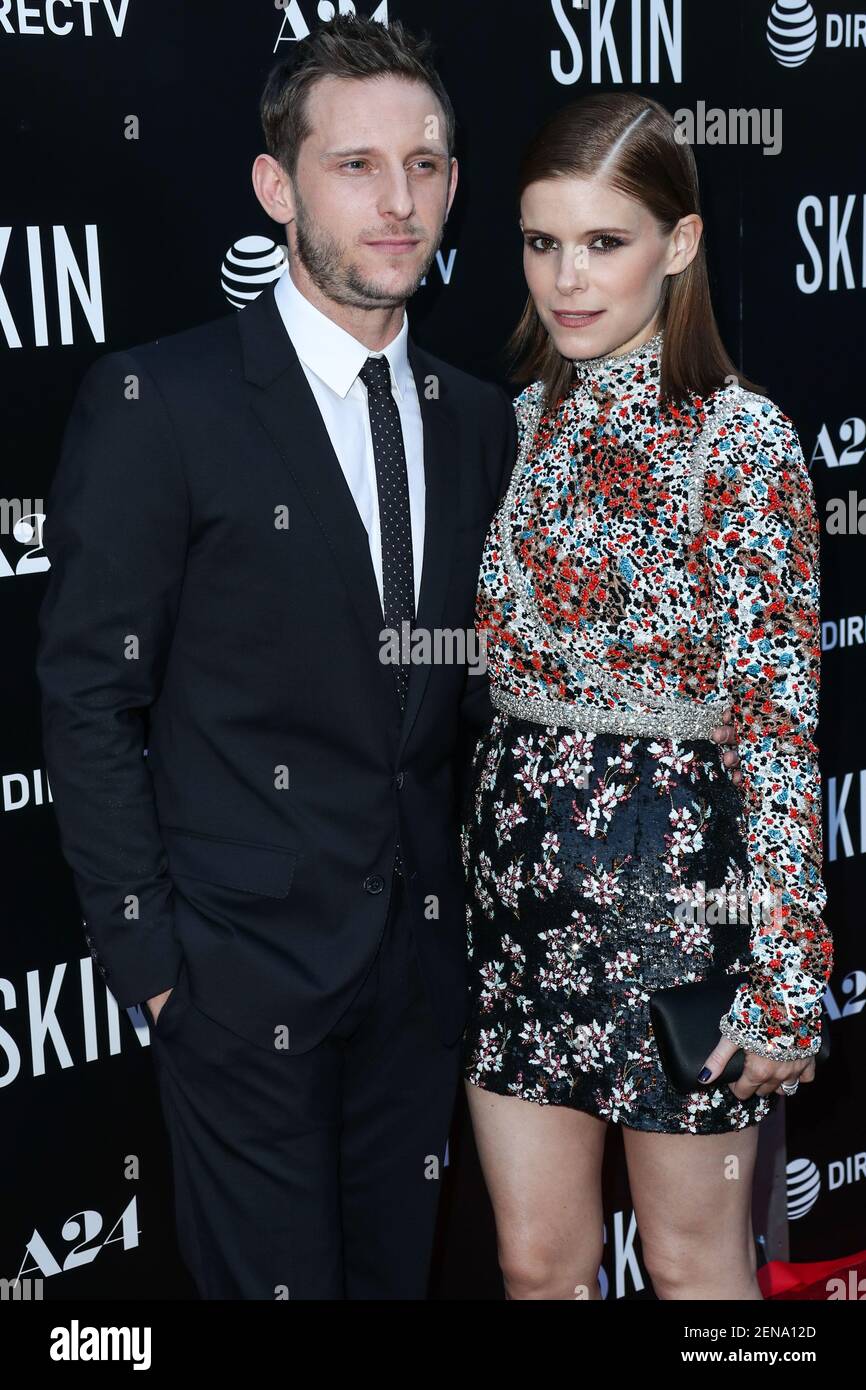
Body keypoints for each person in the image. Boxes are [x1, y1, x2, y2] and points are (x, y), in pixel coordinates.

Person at [35, 16, 740, 1300]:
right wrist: (152, 974)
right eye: (353, 165)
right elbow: (89, 697)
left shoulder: (483, 419)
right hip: (237, 990)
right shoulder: (163, 406)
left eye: (422, 164)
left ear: (455, 187)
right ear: (275, 188)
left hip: (428, 986)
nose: (397, 199)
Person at [460, 92, 831, 1301]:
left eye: (602, 243)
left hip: (680, 910)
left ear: (674, 245)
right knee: (538, 1268)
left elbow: (776, 722)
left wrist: (787, 975)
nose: (566, 278)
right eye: (540, 241)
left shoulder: (741, 442)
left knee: (690, 1268)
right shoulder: (514, 422)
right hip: (516, 907)